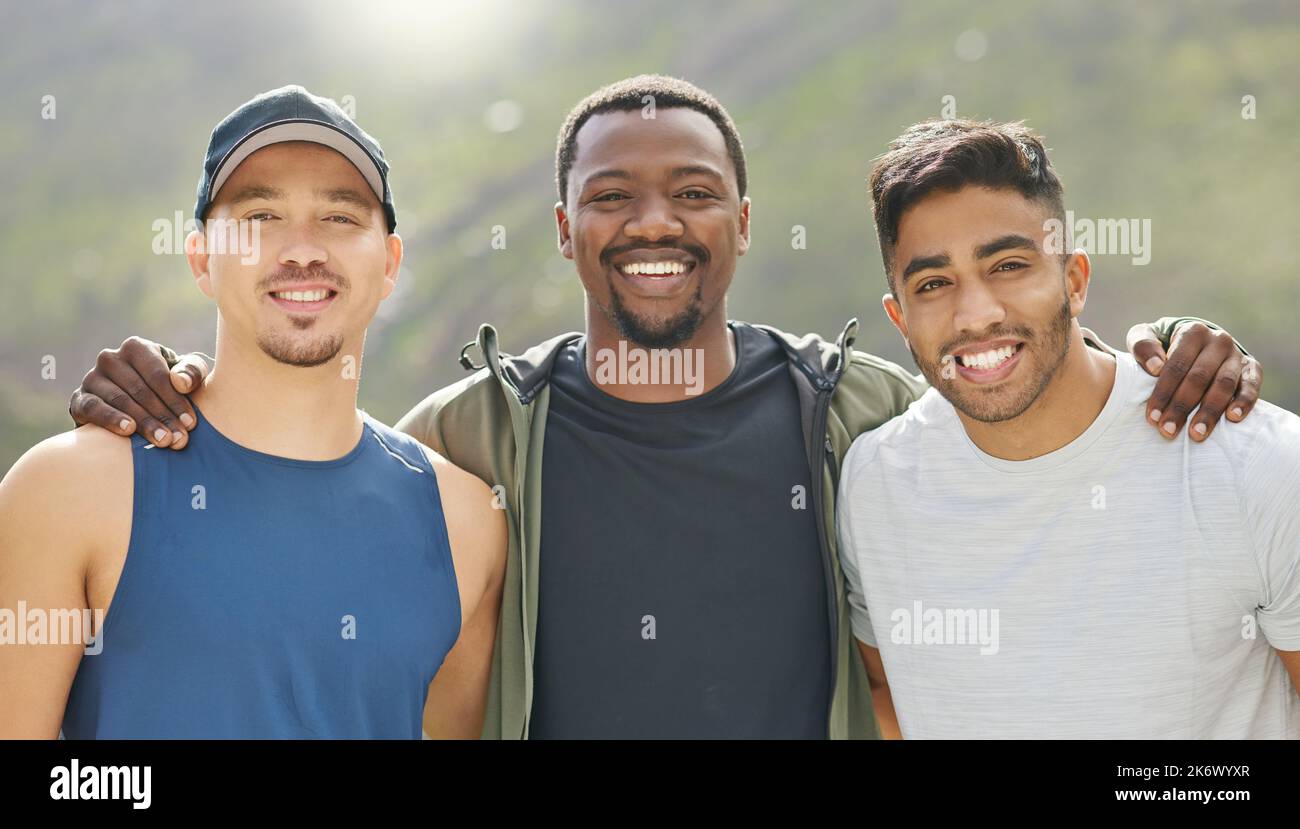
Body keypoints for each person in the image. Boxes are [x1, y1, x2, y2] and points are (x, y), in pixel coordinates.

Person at [65, 77, 1261, 739]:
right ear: (564, 229)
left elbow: (1007, 389)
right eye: (610, 195)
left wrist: (1158, 357)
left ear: (739, 225)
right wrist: (173, 390)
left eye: (693, 192)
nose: (652, 222)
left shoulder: (854, 412)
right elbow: (306, 463)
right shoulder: (469, 437)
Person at [0, 86, 506, 739]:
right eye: (260, 216)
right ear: (202, 258)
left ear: (389, 263)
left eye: (340, 218)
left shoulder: (468, 522)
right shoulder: (62, 490)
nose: (301, 248)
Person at [837, 118, 1299, 738]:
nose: (977, 314)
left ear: (1073, 281)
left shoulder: (1255, 465)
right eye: (934, 283)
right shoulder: (871, 488)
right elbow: (891, 698)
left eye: (1007, 265)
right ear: (900, 318)